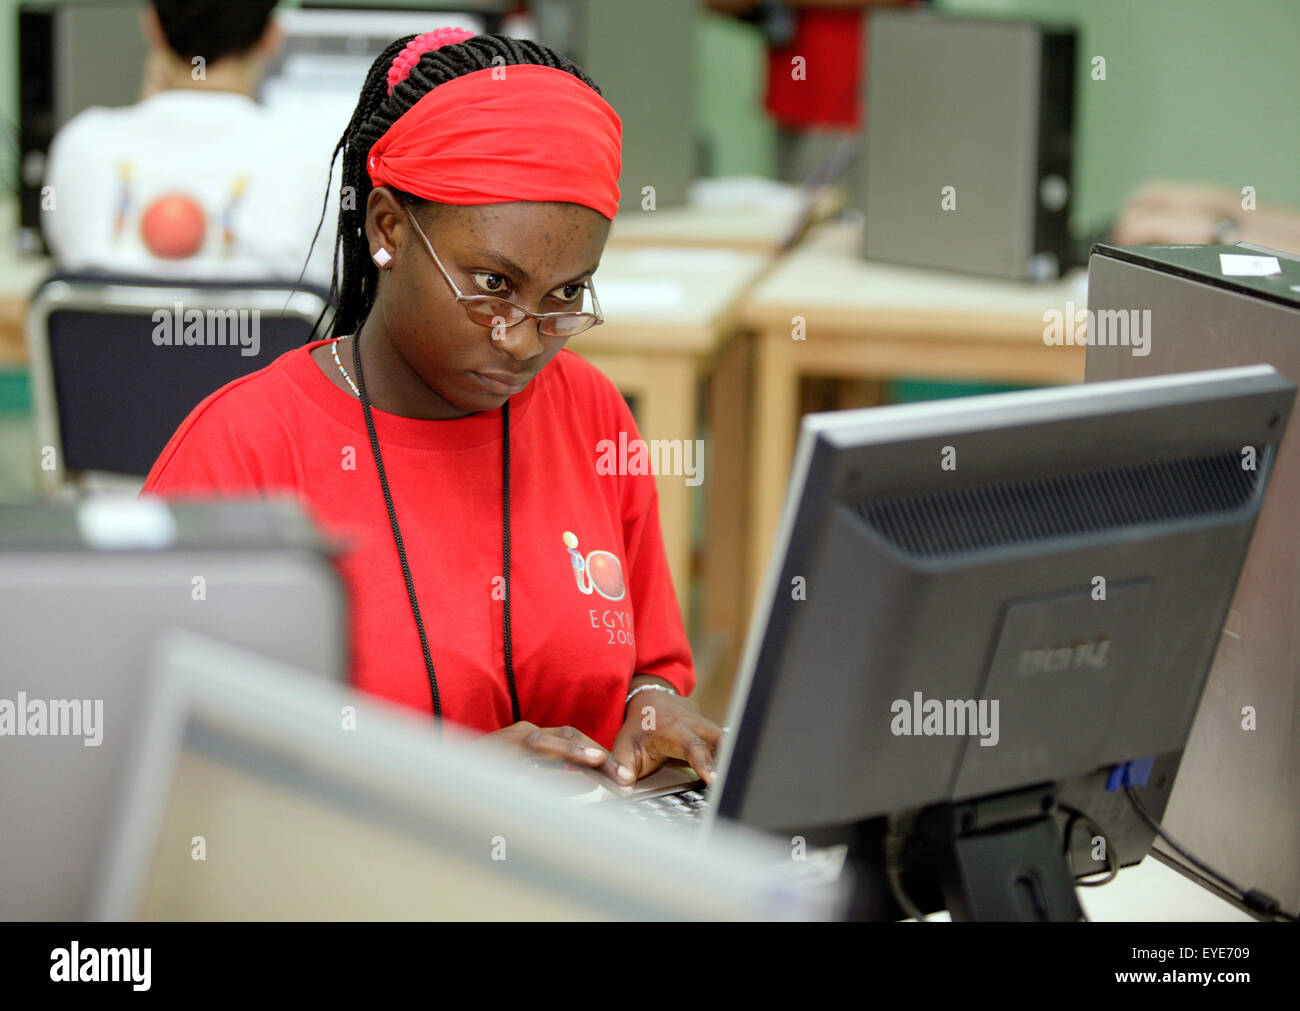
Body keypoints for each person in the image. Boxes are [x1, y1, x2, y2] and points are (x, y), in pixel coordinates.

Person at [141, 28, 723, 787]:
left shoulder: (589, 410)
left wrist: (653, 703)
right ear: (388, 229)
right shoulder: (243, 454)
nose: (522, 341)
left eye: (566, 295)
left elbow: (648, 661)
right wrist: (435, 787)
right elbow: (162, 767)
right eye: (491, 286)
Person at [42, 0, 339, 288]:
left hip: (114, 341)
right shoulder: (325, 156)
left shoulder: (81, 146)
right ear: (272, 35)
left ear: (153, 27)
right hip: (260, 340)